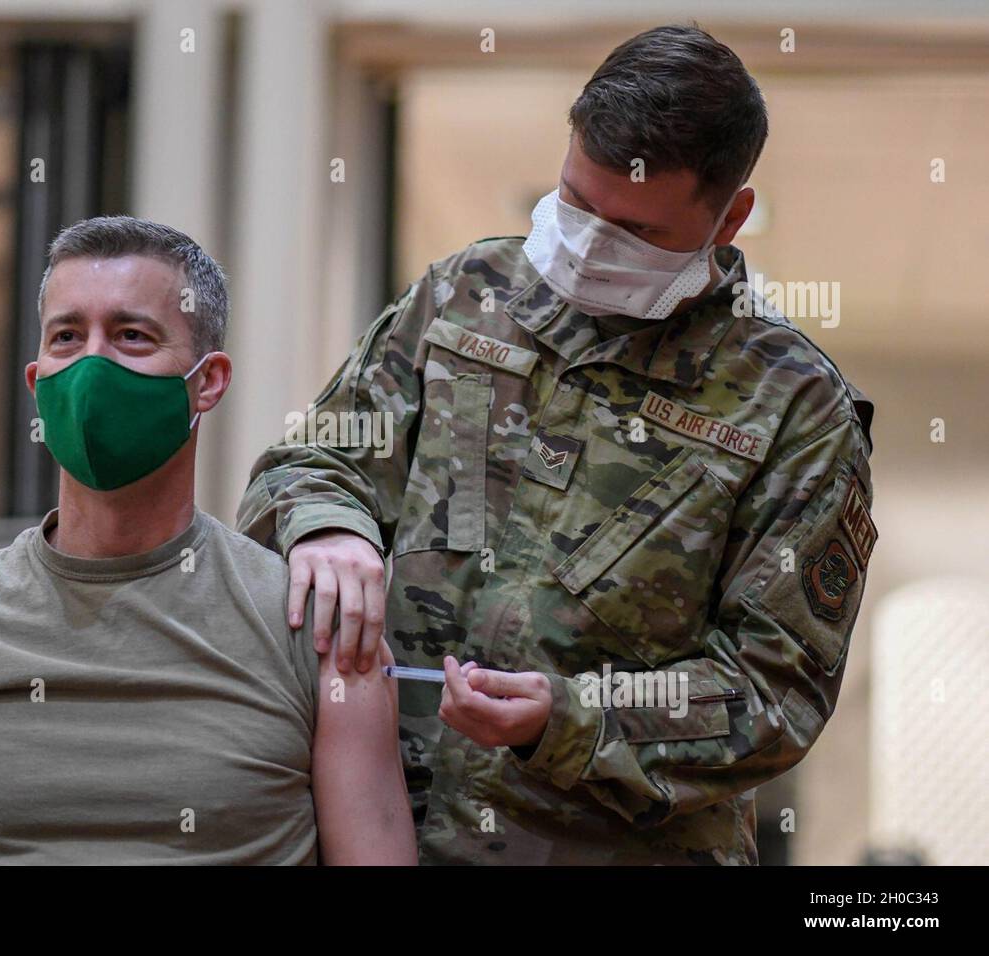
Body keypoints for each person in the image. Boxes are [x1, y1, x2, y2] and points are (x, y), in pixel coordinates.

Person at [236, 24, 876, 865]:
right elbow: (310, 462)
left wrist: (570, 718)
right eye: (577, 204)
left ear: (732, 216)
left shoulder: (794, 407)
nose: (590, 247)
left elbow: (773, 695)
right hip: (384, 834)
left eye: (637, 232)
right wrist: (326, 522)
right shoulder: (464, 298)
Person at [0, 215, 416, 865]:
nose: (94, 365)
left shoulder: (315, 628)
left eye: (131, 335)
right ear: (38, 383)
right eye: (68, 336)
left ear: (207, 381)